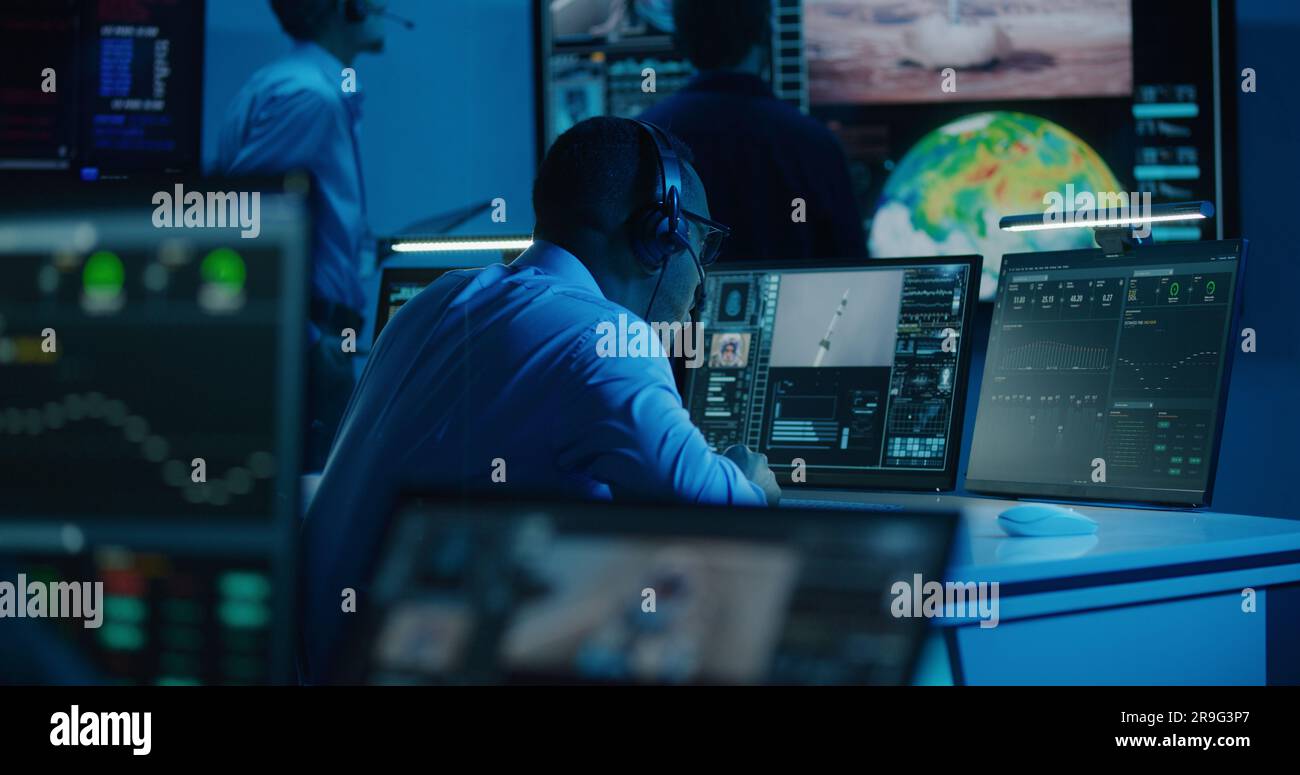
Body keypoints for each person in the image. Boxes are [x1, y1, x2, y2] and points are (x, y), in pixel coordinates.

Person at [301, 117, 781, 682]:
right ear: (659, 237)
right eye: (699, 248)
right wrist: (752, 481)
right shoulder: (605, 339)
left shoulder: (437, 298)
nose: (700, 284)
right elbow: (716, 513)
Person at [215, 0, 390, 470]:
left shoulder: (292, 83)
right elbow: (242, 226)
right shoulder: (308, 97)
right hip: (307, 345)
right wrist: (312, 340)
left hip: (310, 338)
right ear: (345, 9)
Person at [640, 0, 866, 263]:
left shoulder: (645, 139)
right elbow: (851, 267)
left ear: (679, 39)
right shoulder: (816, 144)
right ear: (765, 34)